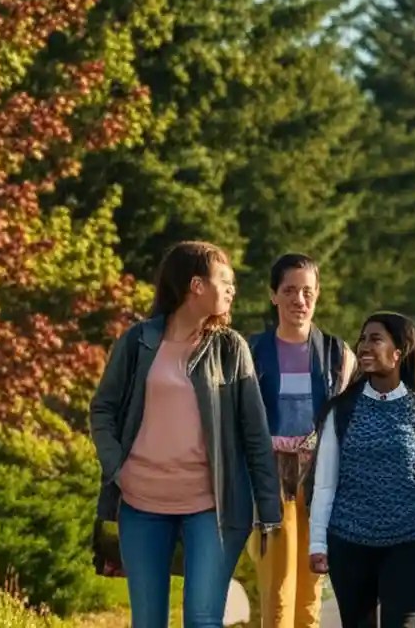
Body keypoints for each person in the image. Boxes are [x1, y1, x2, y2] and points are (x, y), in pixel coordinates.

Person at [89, 241, 282, 628]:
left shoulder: (231, 349)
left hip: (212, 507)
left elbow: (255, 434)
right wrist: (118, 470)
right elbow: (102, 409)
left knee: (203, 618)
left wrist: (269, 512)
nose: (232, 290)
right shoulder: (138, 341)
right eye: (224, 281)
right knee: (148, 621)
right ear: (196, 285)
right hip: (141, 502)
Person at [308, 312, 415, 628]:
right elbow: (324, 484)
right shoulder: (341, 411)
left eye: (376, 339)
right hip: (349, 543)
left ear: (398, 352)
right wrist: (318, 543)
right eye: (363, 338)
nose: (364, 346)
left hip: (408, 544)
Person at [247, 253, 356, 628]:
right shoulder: (252, 353)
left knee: (310, 593)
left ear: (318, 295)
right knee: (277, 591)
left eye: (307, 291)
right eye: (289, 290)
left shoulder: (337, 356)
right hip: (268, 480)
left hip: (319, 480)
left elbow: (349, 420)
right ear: (273, 296)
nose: (299, 300)